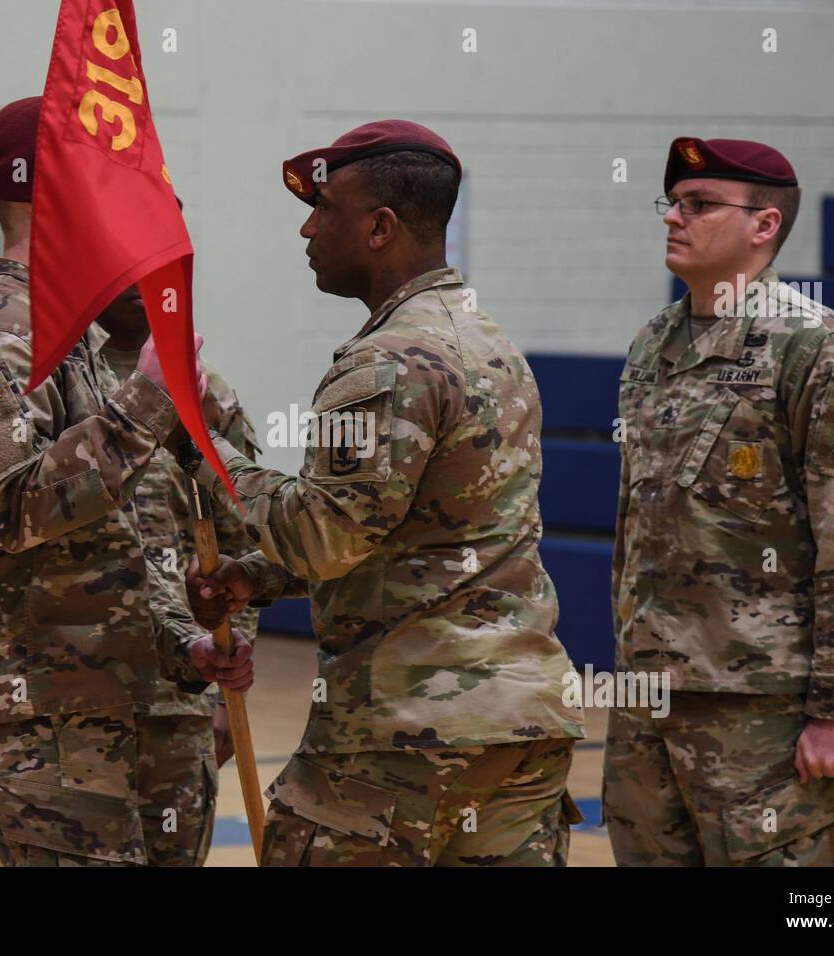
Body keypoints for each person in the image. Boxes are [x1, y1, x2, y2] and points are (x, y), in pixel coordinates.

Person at [181, 120, 585, 867]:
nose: (307, 227)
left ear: (379, 227)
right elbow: (413, 531)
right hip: (518, 724)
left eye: (324, 208)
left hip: (409, 735)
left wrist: (204, 453)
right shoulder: (490, 341)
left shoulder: (386, 361)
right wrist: (255, 577)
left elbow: (326, 535)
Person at [0, 96, 252, 867]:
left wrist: (184, 645)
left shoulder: (84, 339)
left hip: (129, 703)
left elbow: (125, 542)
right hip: (35, 719)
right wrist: (148, 403)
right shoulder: (1, 338)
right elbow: (14, 510)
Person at [602, 136, 834, 866]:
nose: (675, 218)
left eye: (700, 205)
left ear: (764, 225)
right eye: (673, 203)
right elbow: (637, 525)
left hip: (761, 712)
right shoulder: (654, 344)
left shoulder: (815, 347)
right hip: (649, 697)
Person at [92, 261, 263, 866]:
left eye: (160, 273)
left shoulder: (199, 387)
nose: (146, 289)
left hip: (177, 699)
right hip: (75, 696)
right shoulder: (57, 379)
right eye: (128, 270)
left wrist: (222, 691)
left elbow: (246, 538)